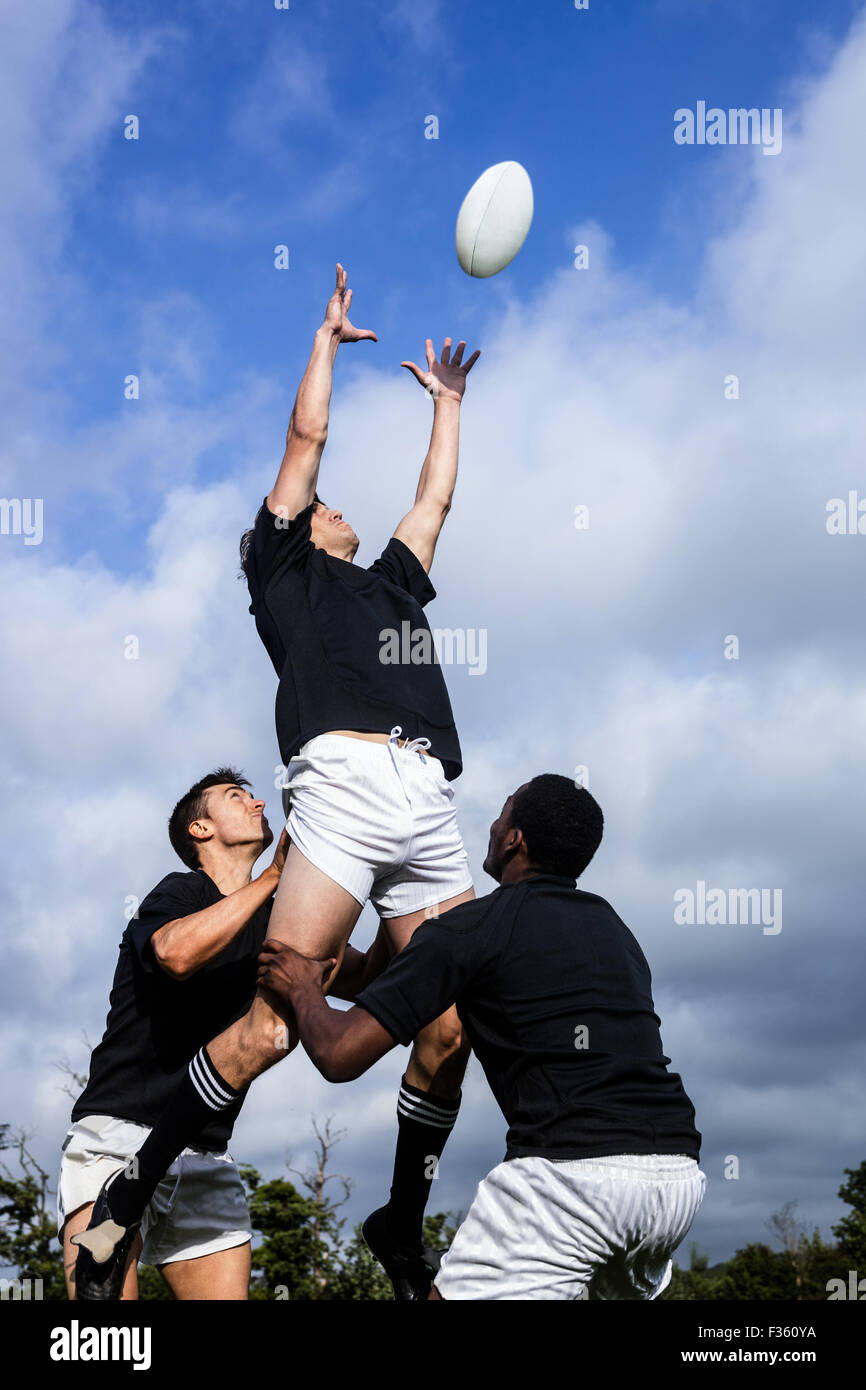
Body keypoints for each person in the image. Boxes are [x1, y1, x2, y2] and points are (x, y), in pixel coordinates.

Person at [73, 264, 482, 1300]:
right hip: (340, 782)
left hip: (427, 791)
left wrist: (447, 406)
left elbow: (433, 499)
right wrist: (322, 344)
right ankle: (131, 1191)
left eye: (338, 507)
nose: (337, 509)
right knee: (267, 1020)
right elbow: (304, 445)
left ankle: (399, 1220)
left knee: (452, 1024)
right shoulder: (281, 572)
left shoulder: (388, 583)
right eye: (321, 508)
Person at [258, 774, 707, 1302]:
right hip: (677, 1177)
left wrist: (305, 988)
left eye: (503, 812)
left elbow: (339, 1054)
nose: (493, 825)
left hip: (572, 1181)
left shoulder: (474, 928)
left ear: (513, 838)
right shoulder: (615, 929)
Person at [66, 768, 382, 1299]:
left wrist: (384, 876)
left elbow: (368, 974)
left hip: (205, 1152)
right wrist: (272, 879)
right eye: (236, 797)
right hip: (117, 1138)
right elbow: (175, 953)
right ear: (201, 830)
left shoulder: (278, 924)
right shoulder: (180, 892)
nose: (259, 803)